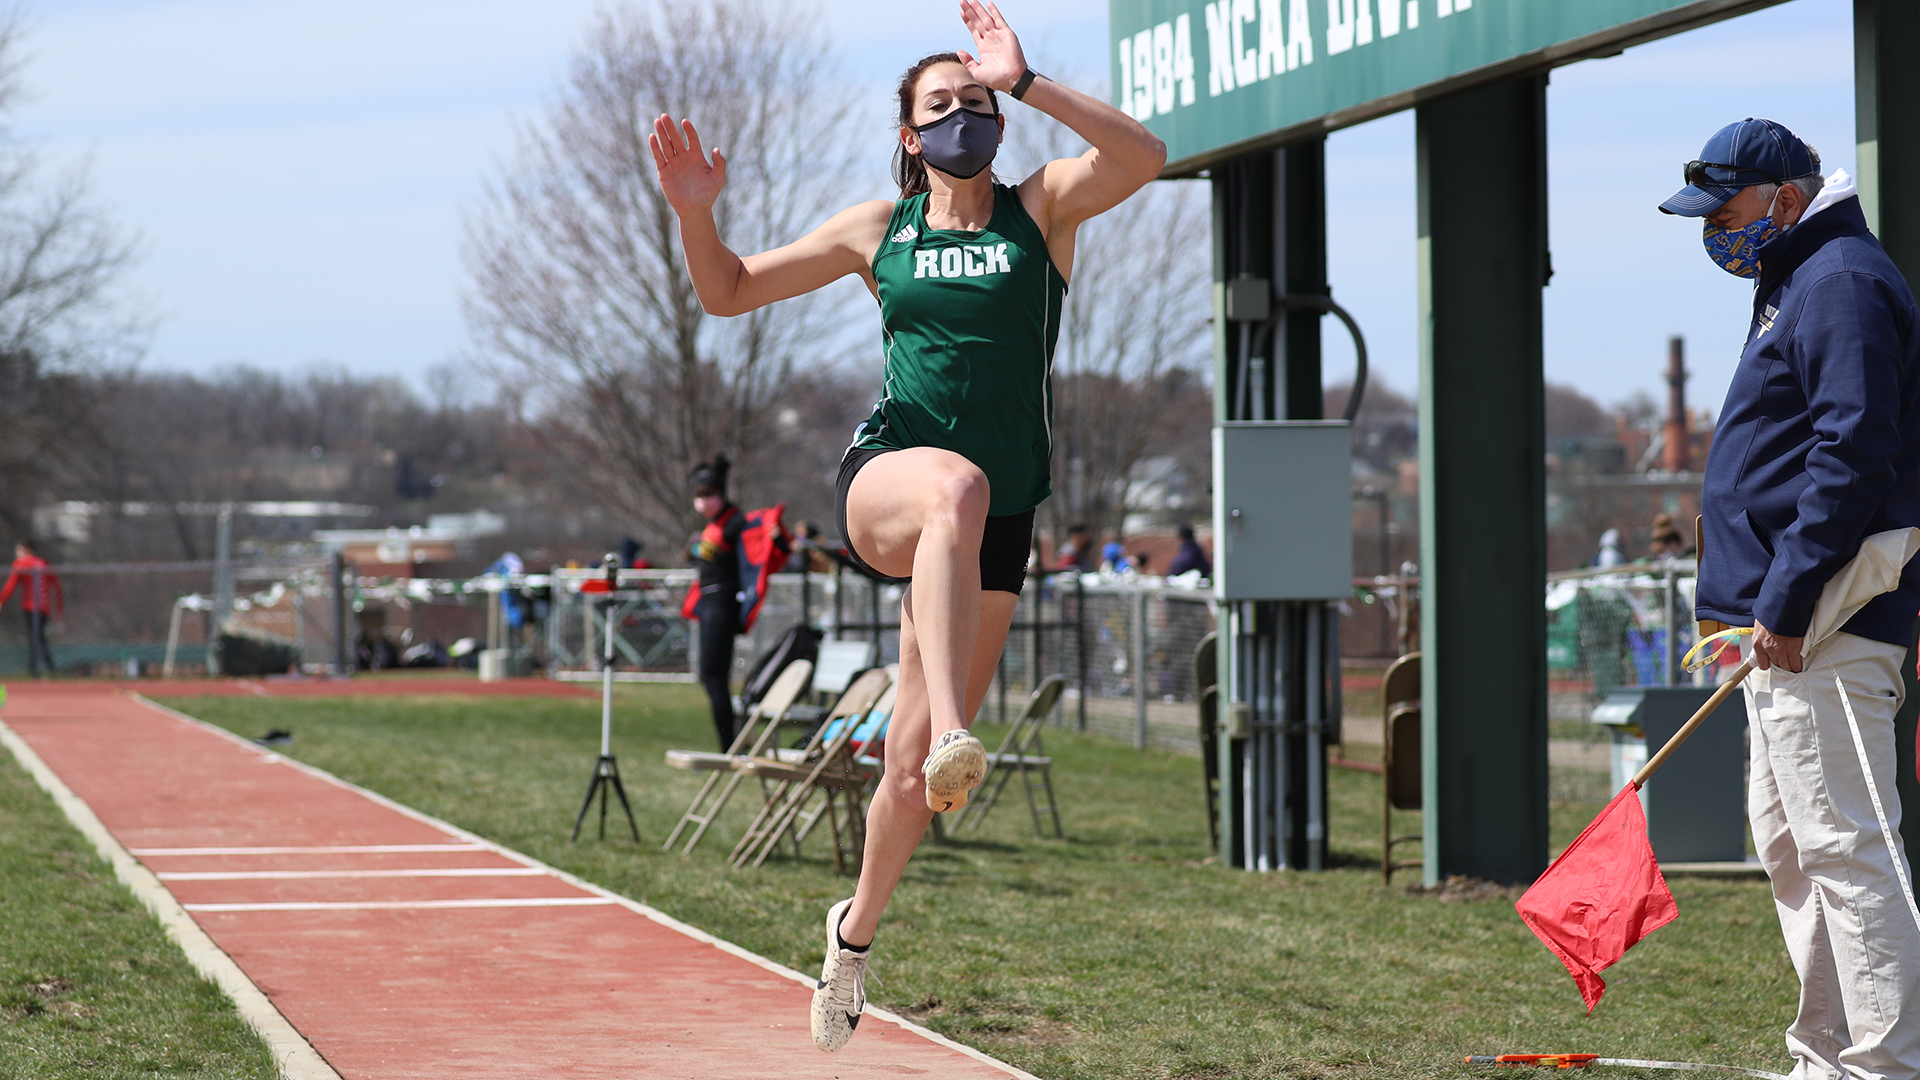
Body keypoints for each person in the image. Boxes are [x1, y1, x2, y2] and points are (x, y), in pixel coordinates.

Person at [651, 0, 1164, 1053]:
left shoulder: (1044, 213)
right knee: (953, 491)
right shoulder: (878, 231)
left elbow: (1144, 155)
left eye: (977, 103)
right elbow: (726, 290)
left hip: (1000, 520)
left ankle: (852, 935)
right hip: (892, 483)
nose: (963, 117)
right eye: (943, 105)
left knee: (909, 770)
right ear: (909, 134)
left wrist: (1029, 79)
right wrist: (697, 212)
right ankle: (964, 733)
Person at [1664, 117, 1920, 1077]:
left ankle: (1882, 1065)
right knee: (1795, 851)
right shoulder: (1801, 276)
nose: (1713, 232)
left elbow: (1854, 452)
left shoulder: (1841, 279)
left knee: (1850, 853)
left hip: (1824, 623)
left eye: (1723, 211)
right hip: (1783, 627)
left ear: (1784, 197)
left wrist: (1788, 593)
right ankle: (1826, 1056)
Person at [687, 455, 747, 751]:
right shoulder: (713, 525)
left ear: (721, 493)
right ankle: (730, 742)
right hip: (710, 603)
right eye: (699, 495)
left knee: (713, 675)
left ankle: (730, 746)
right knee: (711, 677)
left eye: (709, 494)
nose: (703, 501)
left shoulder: (734, 521)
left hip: (722, 603)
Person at [0, 540, 62, 677]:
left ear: (27, 550)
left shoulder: (22, 564)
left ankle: (38, 670)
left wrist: (1, 601)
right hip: (45, 608)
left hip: (30, 606)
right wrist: (59, 611)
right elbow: (57, 587)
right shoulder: (44, 563)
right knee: (38, 637)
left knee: (36, 638)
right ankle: (45, 668)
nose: (17, 554)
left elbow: (11, 585)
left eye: (19, 551)